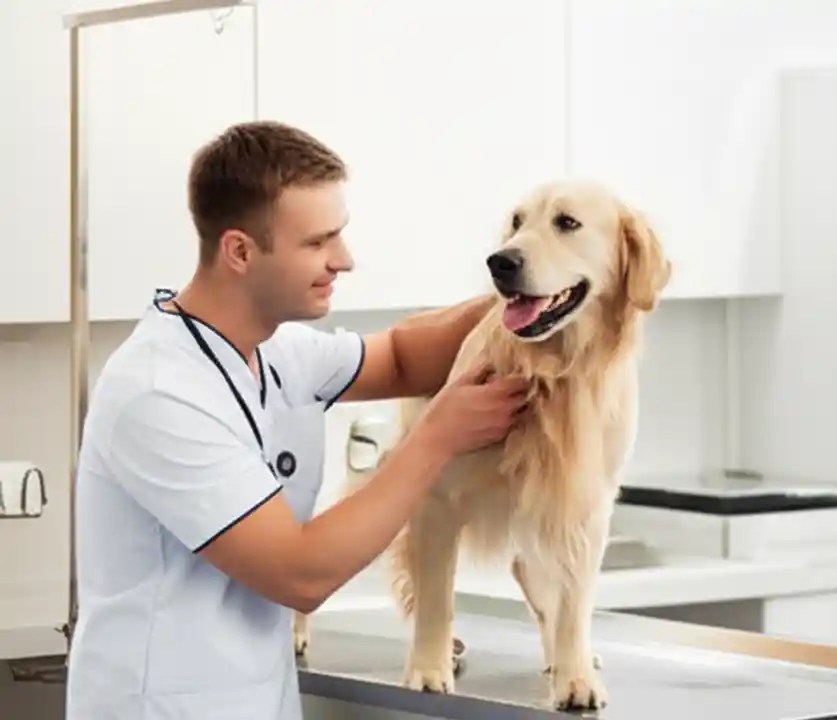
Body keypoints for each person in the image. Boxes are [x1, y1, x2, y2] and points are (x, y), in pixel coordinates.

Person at [64, 121, 530, 719]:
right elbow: (300, 573)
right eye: (318, 242)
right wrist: (437, 436)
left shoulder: (277, 353)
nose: (345, 259)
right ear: (239, 251)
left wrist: (534, 288)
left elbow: (404, 355)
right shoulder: (158, 393)